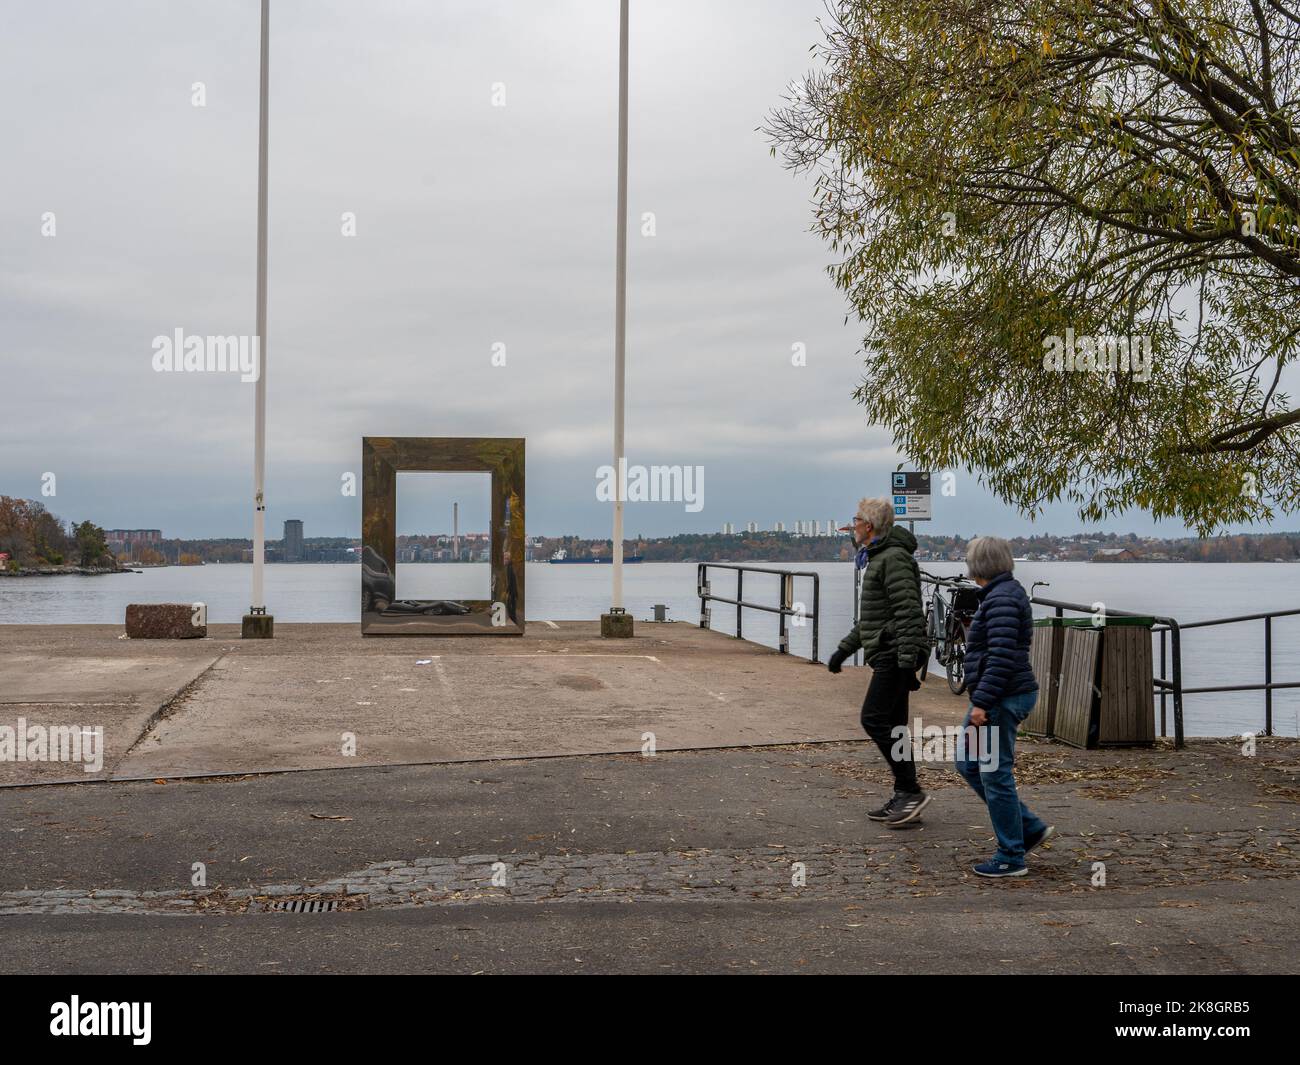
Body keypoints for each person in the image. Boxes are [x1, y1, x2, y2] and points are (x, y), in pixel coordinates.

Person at [953, 536, 1055, 877]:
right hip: (995, 695)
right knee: (968, 763)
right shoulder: (999, 596)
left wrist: (982, 703)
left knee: (994, 774)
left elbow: (1001, 657)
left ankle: (1011, 855)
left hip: (1000, 697)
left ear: (978, 565)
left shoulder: (1001, 601)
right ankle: (1027, 828)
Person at [827, 498, 930, 828]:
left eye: (855, 520)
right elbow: (871, 621)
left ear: (868, 526)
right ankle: (905, 795)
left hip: (893, 656)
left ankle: (911, 791)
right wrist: (843, 651)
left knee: (873, 719)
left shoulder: (893, 559)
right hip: (890, 653)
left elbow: (910, 614)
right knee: (896, 726)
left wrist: (906, 663)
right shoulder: (880, 558)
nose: (852, 525)